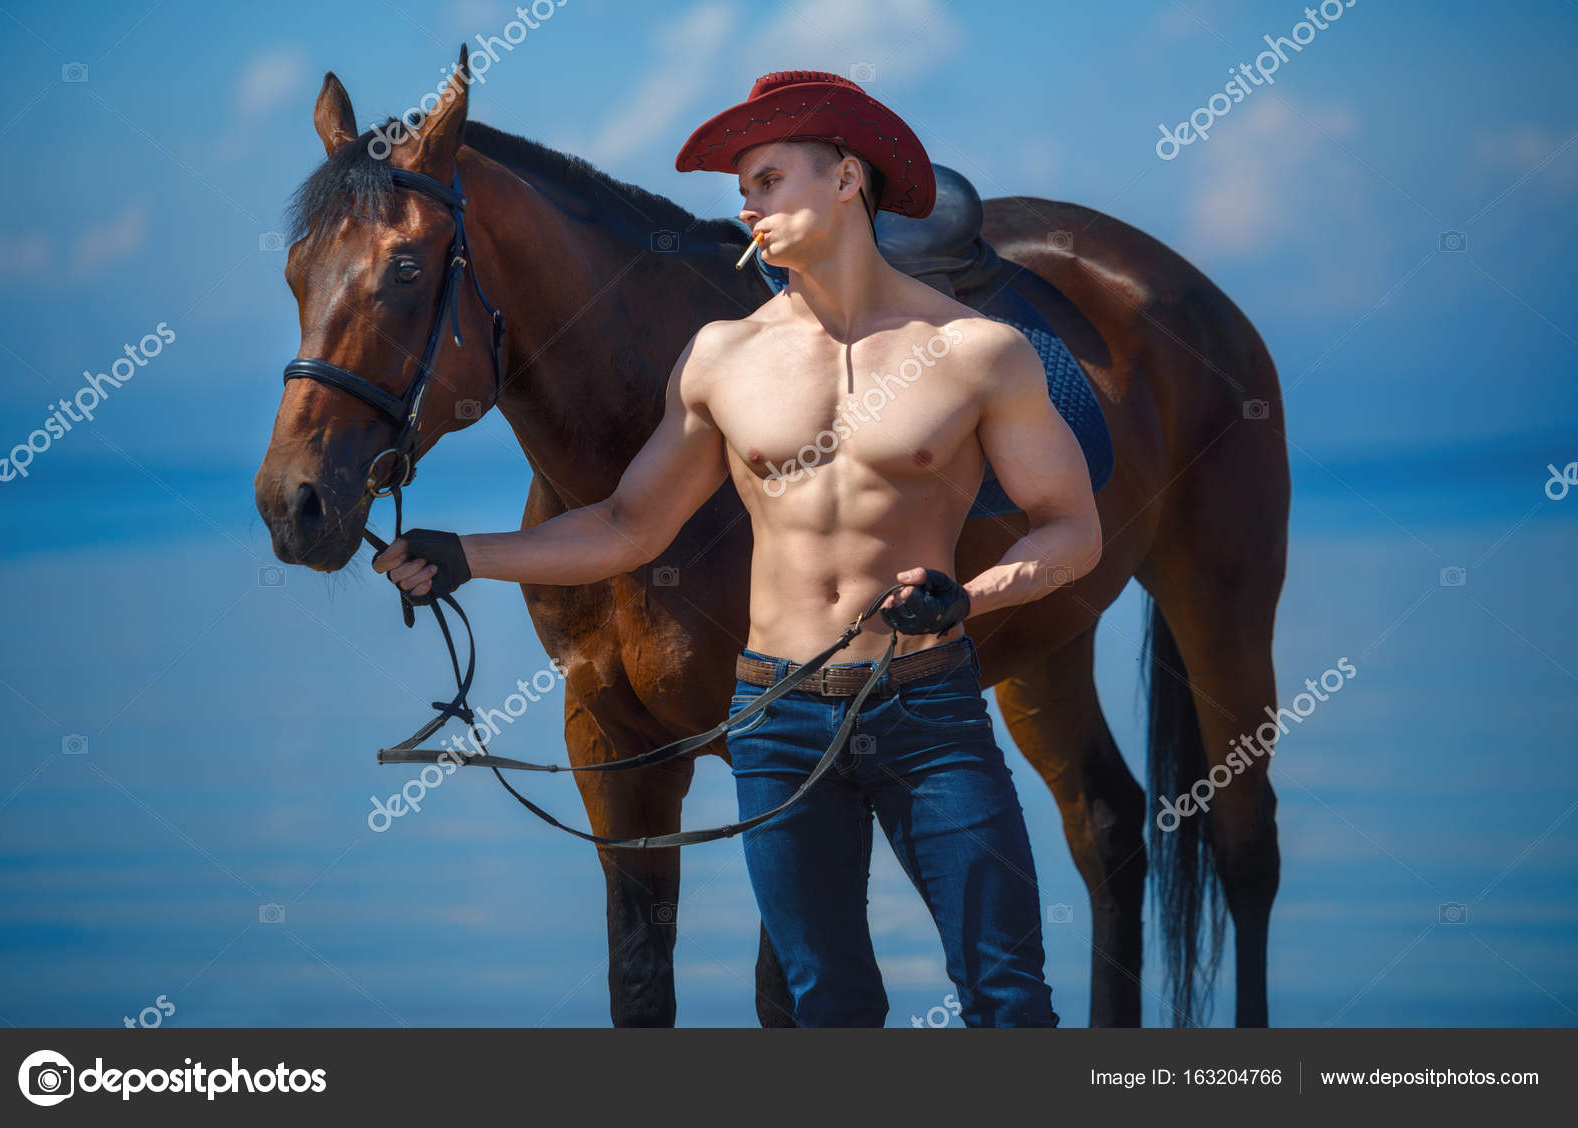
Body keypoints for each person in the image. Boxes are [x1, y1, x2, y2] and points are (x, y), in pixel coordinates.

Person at [375, 70, 1103, 1027]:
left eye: (766, 180)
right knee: (825, 1006)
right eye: (742, 190)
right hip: (777, 716)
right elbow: (628, 526)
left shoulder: (977, 352)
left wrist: (972, 596)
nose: (747, 205)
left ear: (846, 178)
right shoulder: (723, 355)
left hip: (928, 710)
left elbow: (1072, 531)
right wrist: (467, 551)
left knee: (1008, 1000)